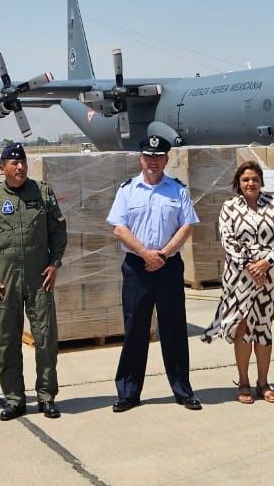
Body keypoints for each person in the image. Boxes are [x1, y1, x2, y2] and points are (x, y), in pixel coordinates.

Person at [107, 134, 202, 412]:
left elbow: (187, 227)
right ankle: (128, 392)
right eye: (148, 156)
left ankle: (183, 390)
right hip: (137, 268)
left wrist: (162, 255)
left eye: (158, 157)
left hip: (169, 266)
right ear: (141, 158)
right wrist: (146, 254)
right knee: (135, 330)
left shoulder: (177, 190)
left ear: (166, 159)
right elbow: (119, 228)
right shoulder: (127, 190)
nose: (153, 161)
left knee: (173, 329)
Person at [0, 142, 67, 420]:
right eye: (13, 163)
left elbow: (58, 232)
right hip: (5, 281)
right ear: (2, 168)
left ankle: (46, 396)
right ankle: (14, 399)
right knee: (7, 341)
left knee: (46, 338)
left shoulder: (43, 193)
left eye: (23, 161)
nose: (20, 166)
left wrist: (55, 263)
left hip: (39, 278)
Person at [201, 160, 274, 404]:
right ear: (238, 183)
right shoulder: (229, 207)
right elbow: (227, 240)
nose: (250, 183)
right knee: (241, 326)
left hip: (270, 276)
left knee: (263, 327)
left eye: (254, 179)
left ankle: (263, 382)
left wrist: (266, 263)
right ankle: (243, 382)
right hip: (240, 276)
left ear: (261, 181)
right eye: (245, 180)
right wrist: (252, 265)